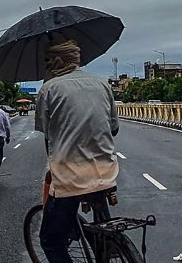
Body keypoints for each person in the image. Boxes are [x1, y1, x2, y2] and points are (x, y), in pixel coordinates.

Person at [36, 38, 119, 263]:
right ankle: (108, 246)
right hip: (106, 172)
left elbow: (48, 137)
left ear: (56, 61)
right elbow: (113, 129)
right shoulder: (102, 84)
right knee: (102, 227)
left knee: (50, 241)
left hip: (69, 176)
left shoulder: (49, 89)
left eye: (48, 61)